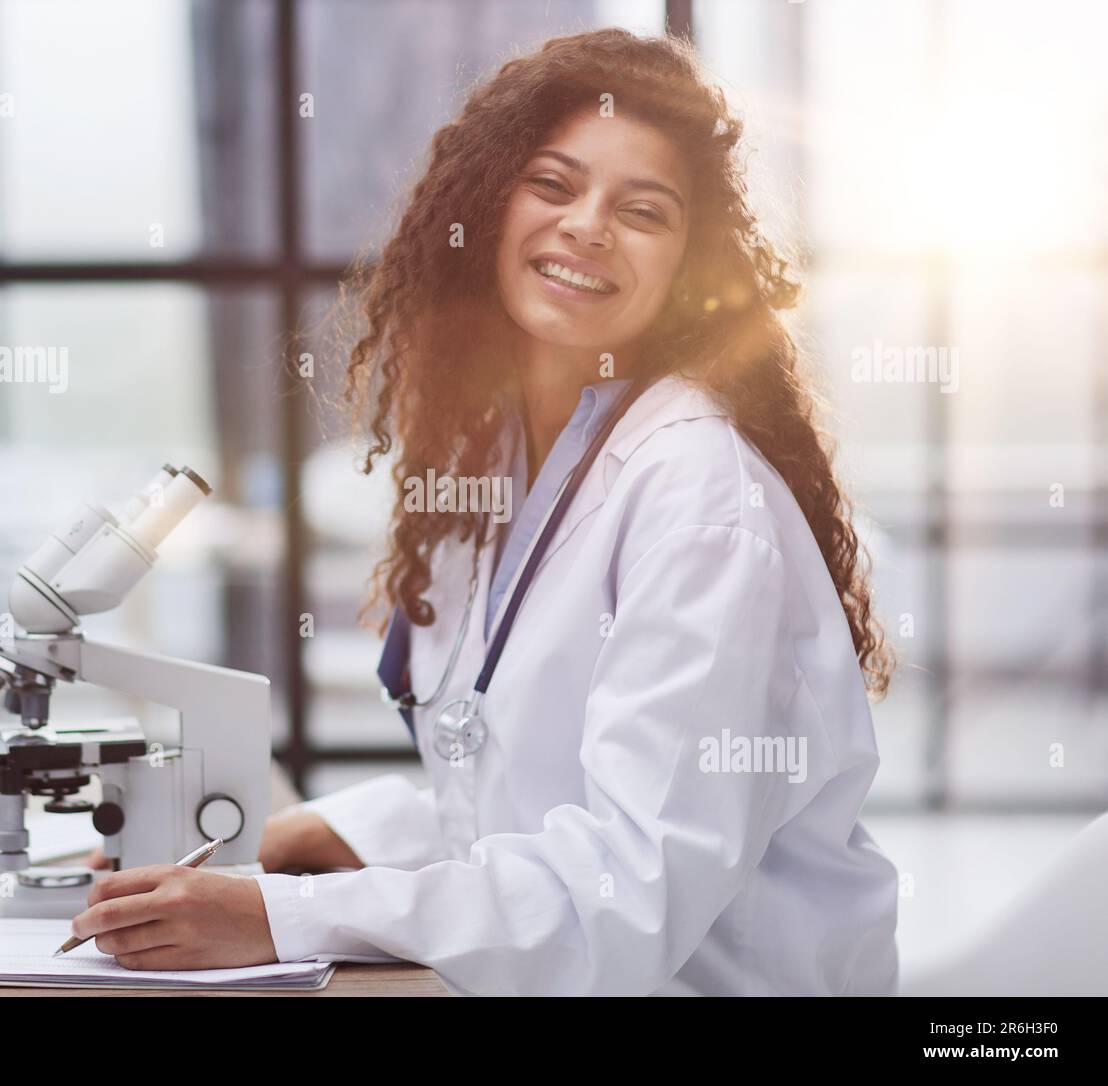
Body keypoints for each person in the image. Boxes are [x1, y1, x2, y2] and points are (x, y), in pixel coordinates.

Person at [74, 27, 900, 997]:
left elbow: (627, 888)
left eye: (642, 210)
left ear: (688, 266)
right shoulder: (502, 455)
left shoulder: (701, 499)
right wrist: (329, 836)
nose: (588, 225)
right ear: (487, 206)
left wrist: (280, 917)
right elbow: (525, 800)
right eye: (552, 185)